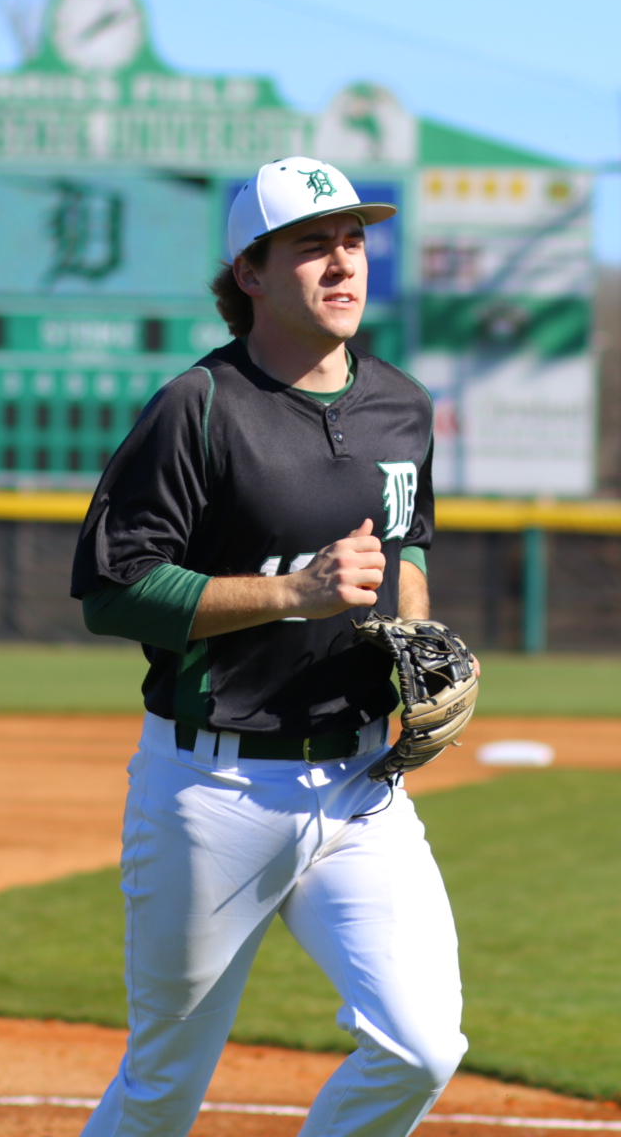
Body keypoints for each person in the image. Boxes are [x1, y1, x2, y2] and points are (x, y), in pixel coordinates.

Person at [69, 157, 465, 1137]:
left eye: (353, 241)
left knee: (423, 1045)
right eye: (311, 245)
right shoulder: (197, 407)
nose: (343, 264)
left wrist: (420, 637)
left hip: (363, 785)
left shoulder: (401, 407)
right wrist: (295, 592)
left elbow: (406, 538)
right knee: (163, 1088)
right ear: (250, 271)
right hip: (214, 791)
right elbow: (114, 591)